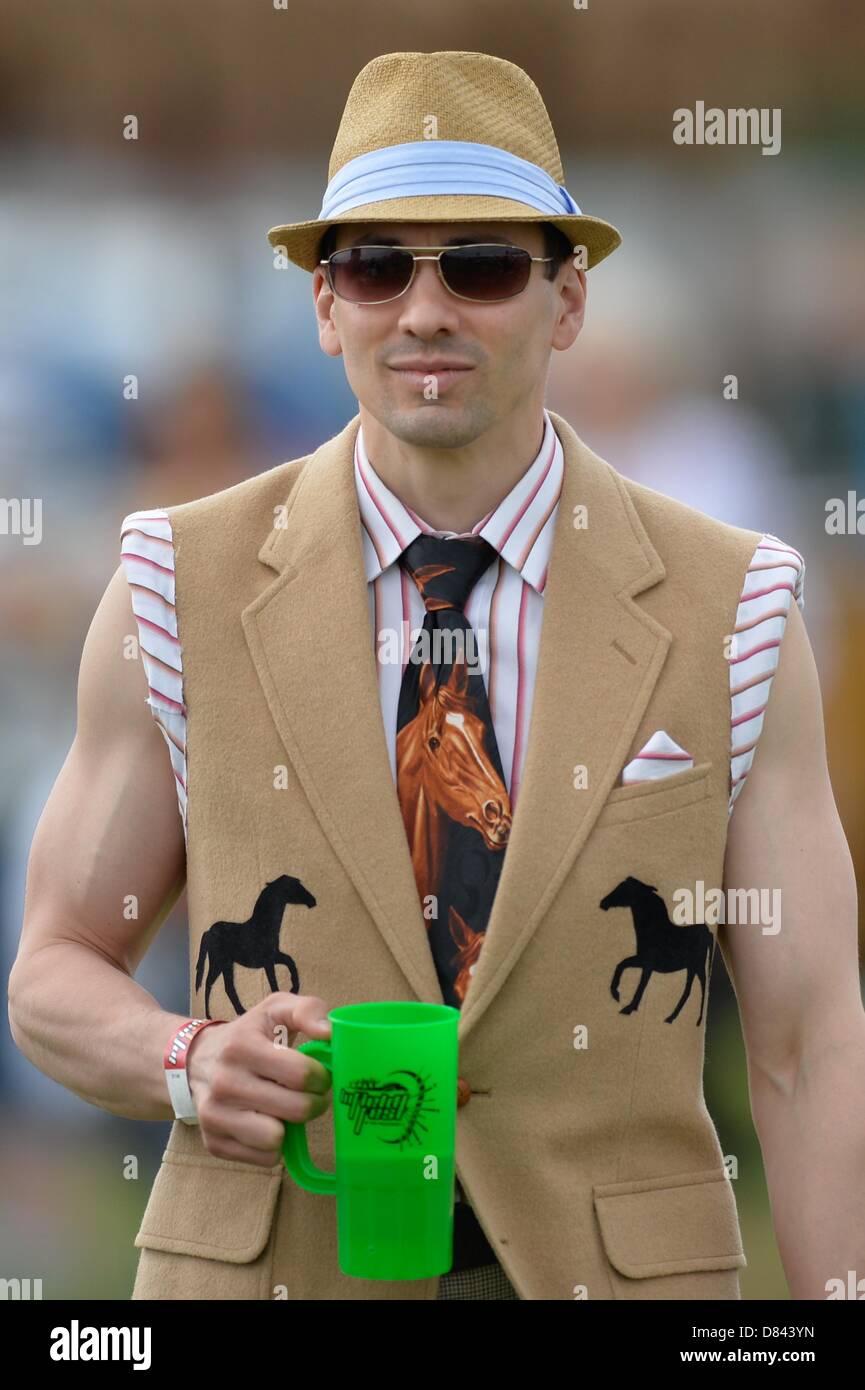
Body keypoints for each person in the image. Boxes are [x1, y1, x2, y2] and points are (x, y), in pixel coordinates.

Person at [8, 50, 862, 1303]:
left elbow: (805, 1039)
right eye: (372, 265)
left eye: (482, 265)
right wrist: (186, 1056)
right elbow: (53, 967)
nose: (423, 311)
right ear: (321, 305)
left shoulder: (737, 605)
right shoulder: (167, 587)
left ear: (569, 299)